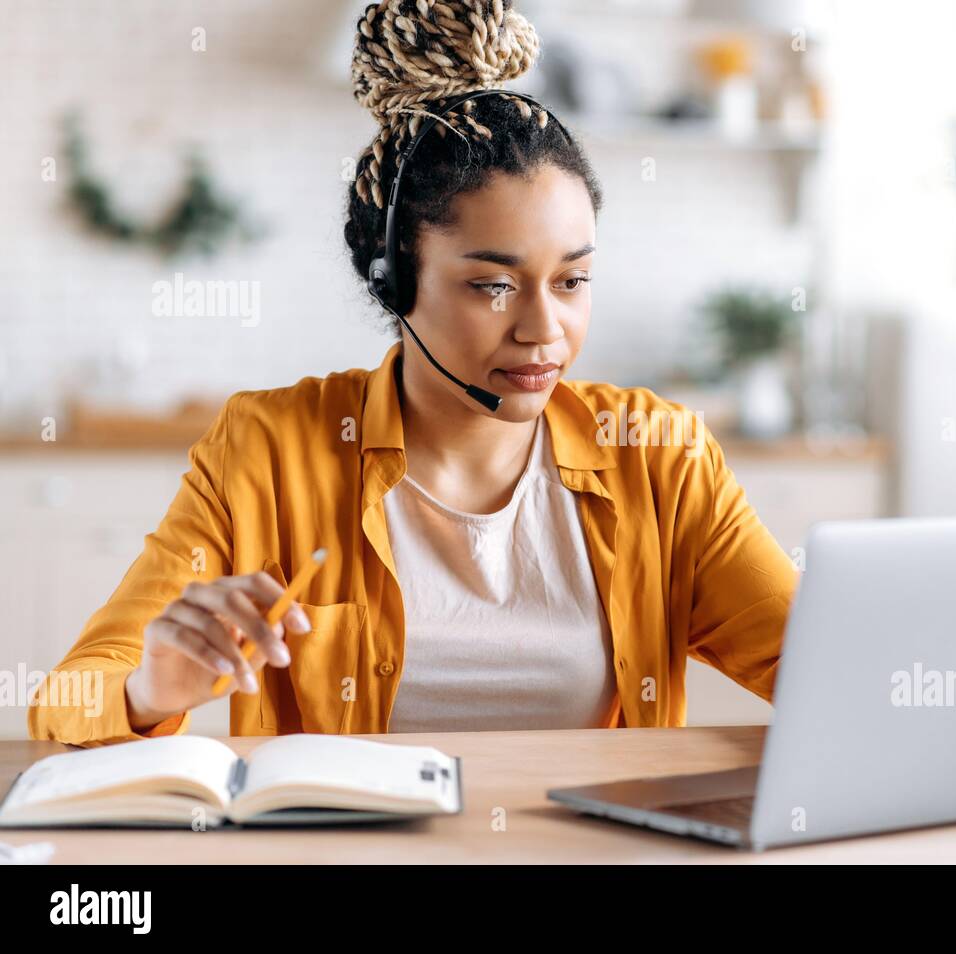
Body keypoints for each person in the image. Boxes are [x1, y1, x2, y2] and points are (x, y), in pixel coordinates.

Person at [29, 0, 796, 747]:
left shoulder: (658, 455)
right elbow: (67, 697)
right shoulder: (266, 449)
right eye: (492, 285)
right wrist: (148, 689)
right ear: (394, 282)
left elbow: (818, 667)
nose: (543, 329)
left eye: (571, 281)